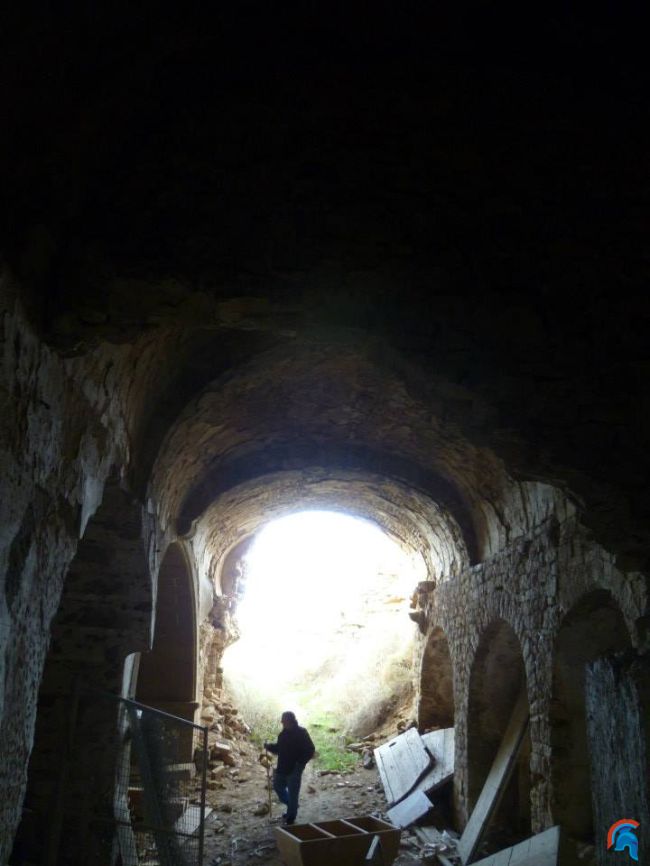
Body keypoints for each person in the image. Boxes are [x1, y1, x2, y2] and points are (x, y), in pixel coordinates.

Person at [264, 711, 315, 825]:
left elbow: (310, 749)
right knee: (278, 786)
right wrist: (269, 746)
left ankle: (291, 816)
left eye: (284, 720)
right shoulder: (283, 734)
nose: (282, 722)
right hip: (282, 766)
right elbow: (279, 748)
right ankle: (293, 805)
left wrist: (300, 763)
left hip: (295, 768)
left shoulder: (302, 732)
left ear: (290, 721)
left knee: (293, 793)